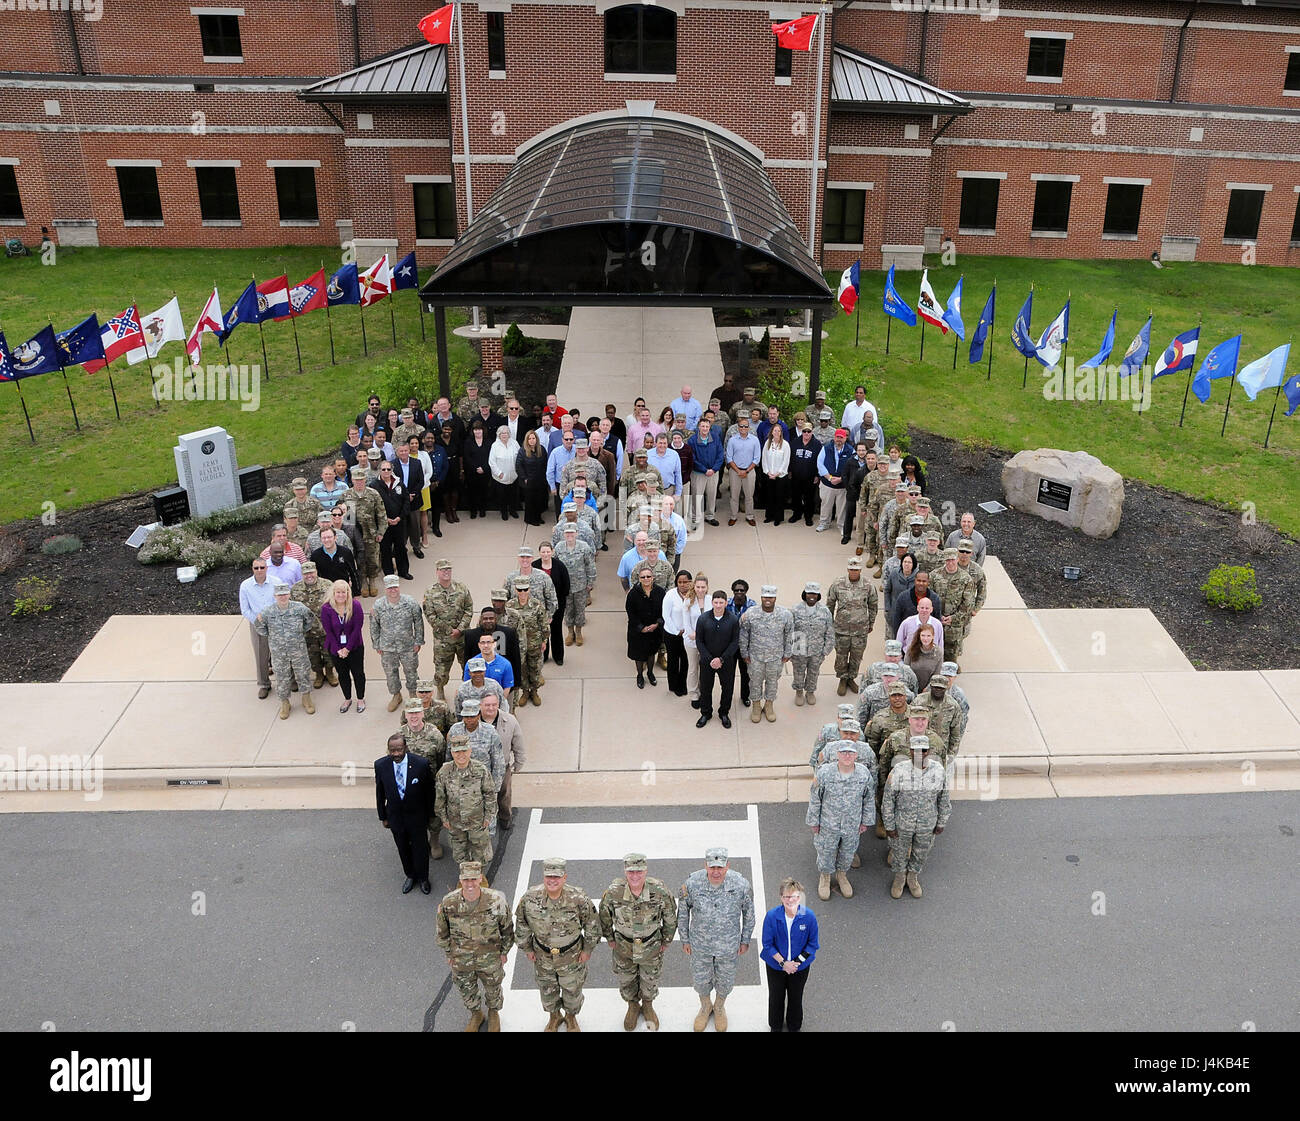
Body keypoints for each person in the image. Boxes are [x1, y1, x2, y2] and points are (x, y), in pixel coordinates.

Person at [514, 856, 601, 1032]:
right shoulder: (530, 898)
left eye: (556, 877)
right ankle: (554, 1017)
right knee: (547, 991)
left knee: (572, 991)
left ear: (564, 877)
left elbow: (592, 924)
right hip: (542, 956)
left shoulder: (578, 898)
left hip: (572, 956)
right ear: (544, 877)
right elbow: (522, 923)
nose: (552, 881)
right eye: (549, 877)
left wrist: (587, 950)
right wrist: (527, 948)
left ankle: (571, 1017)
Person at [678, 846, 755, 1033]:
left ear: (727, 866)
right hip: (700, 945)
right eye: (712, 867)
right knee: (700, 980)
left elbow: (749, 914)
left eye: (720, 867)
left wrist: (745, 940)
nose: (716, 872)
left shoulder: (740, 885)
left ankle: (719, 1007)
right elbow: (682, 913)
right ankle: (705, 1007)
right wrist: (685, 940)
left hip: (728, 946)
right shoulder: (691, 883)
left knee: (726, 980)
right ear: (705, 865)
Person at [599, 853, 679, 1032]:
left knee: (650, 980)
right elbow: (604, 917)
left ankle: (648, 1005)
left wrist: (666, 940)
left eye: (639, 871)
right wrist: (610, 938)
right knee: (626, 980)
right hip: (623, 947)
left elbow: (670, 918)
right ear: (625, 872)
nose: (635, 876)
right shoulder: (613, 892)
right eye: (631, 872)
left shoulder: (659, 891)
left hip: (651, 946)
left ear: (646, 871)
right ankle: (633, 1006)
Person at [436, 861, 513, 1033]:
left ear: (480, 879)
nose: (470, 884)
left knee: (493, 988)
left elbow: (507, 929)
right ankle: (476, 1014)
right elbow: (442, 932)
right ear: (460, 880)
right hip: (461, 959)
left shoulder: (496, 901)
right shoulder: (449, 903)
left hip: (490, 957)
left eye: (473, 879)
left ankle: (494, 1014)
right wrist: (449, 953)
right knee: (466, 989)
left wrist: (504, 952)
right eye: (466, 880)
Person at [883, 735, 951, 899]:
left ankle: (912, 877)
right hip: (902, 823)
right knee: (899, 853)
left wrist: (941, 822)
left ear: (929, 751)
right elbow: (888, 800)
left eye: (923, 750)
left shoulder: (938, 771)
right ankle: (899, 878)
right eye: (915, 750)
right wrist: (889, 825)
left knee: (921, 853)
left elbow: (944, 798)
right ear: (910, 751)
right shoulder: (899, 770)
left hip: (927, 824)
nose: (920, 753)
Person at [808, 740, 875, 901]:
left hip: (852, 824)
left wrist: (865, 821)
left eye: (850, 752)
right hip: (828, 824)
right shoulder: (824, 773)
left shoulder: (863, 773)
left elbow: (869, 798)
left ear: (856, 755)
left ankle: (842, 875)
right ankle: (825, 877)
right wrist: (814, 822)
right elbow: (815, 798)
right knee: (826, 851)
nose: (847, 755)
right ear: (837, 754)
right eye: (843, 752)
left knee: (848, 852)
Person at [375, 731, 434, 895]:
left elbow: (429, 792)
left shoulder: (421, 764)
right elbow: (380, 793)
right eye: (392, 750)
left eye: (399, 750)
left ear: (405, 748)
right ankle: (410, 875)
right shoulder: (381, 765)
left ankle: (423, 878)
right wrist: (383, 816)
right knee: (402, 848)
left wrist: (430, 815)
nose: (396, 754)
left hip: (417, 817)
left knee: (420, 848)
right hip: (395, 817)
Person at [761, 878, 819, 1033]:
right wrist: (783, 963)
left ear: (799, 897)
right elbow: (767, 944)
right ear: (781, 897)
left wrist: (795, 963)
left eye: (794, 896)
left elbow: (813, 945)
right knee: (776, 996)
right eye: (786, 897)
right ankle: (776, 1026)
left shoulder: (809, 917)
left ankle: (794, 1026)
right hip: (775, 966)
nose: (790, 900)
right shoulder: (772, 916)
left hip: (799, 968)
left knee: (796, 997)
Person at [254, 581, 316, 719]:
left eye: (285, 594)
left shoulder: (299, 608)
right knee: (282, 678)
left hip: (298, 650)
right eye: (279, 595)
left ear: (289, 594)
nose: (282, 597)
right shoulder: (268, 612)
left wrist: (299, 633)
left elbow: (309, 620)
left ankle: (306, 699)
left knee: (303, 673)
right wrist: (274, 638)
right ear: (275, 596)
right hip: (279, 652)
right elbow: (259, 626)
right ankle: (285, 703)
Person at [435, 733, 497, 870]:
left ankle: (479, 877)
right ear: (452, 752)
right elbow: (440, 798)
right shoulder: (444, 772)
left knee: (480, 850)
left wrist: (488, 817)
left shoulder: (480, 770)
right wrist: (444, 818)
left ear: (470, 751)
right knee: (459, 853)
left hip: (477, 821)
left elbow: (490, 794)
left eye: (464, 750)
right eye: (457, 751)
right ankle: (464, 878)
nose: (460, 755)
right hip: (455, 822)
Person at [370, 573, 424, 711]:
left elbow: (418, 622)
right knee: (390, 673)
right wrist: (377, 644)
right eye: (389, 588)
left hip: (408, 646)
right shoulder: (378, 605)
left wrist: (418, 641)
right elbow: (374, 626)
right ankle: (396, 695)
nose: (393, 590)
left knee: (411, 671)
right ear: (386, 589)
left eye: (395, 587)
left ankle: (413, 694)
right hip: (387, 647)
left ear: (399, 587)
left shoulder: (410, 603)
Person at [740, 584, 793, 724]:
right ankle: (756, 706)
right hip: (755, 657)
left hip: (775, 657)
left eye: (771, 597)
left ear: (775, 598)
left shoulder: (785, 614)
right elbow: (744, 634)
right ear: (761, 597)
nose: (767, 599)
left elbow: (789, 635)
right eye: (765, 597)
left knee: (772, 683)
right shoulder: (751, 613)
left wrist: (788, 652)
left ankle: (769, 706)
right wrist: (744, 652)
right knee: (755, 682)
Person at [423, 559, 474, 702]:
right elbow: (430, 615)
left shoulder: (461, 588)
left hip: (463, 637)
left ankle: (468, 689)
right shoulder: (430, 592)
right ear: (437, 572)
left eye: (448, 569)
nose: (446, 572)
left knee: (467, 665)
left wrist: (460, 628)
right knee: (441, 669)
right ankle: (440, 689)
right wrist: (448, 630)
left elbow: (469, 609)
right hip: (443, 640)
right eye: (443, 569)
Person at [826, 557, 878, 696]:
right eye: (852, 569)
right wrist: (830, 624)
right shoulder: (838, 584)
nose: (854, 572)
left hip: (860, 630)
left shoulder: (868, 585)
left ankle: (851, 678)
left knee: (856, 656)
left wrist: (871, 623)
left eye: (856, 569)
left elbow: (873, 606)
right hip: (841, 629)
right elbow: (830, 604)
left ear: (860, 570)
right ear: (848, 569)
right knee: (841, 656)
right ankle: (843, 679)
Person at [477, 691, 523, 831]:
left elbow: (518, 743)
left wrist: (518, 763)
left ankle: (505, 817)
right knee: (480, 797)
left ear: (499, 704)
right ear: (480, 705)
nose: (490, 708)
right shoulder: (473, 721)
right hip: (480, 769)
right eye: (487, 705)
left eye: (494, 704)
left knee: (504, 795)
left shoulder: (510, 721)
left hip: (503, 767)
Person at [695, 590, 739, 728]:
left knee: (727, 688)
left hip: (726, 662)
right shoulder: (703, 619)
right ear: (712, 602)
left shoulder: (733, 620)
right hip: (707, 661)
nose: (718, 605)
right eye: (716, 602)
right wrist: (709, 659)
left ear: (726, 603)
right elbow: (699, 641)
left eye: (721, 602)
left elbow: (734, 642)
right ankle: (706, 713)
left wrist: (721, 659)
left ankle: (724, 713)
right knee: (706, 688)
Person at [322, 578, 365, 713]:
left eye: (344, 592)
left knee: (358, 673)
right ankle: (347, 698)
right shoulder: (326, 608)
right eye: (338, 592)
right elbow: (328, 631)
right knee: (343, 674)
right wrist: (339, 649)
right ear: (333, 593)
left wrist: (347, 648)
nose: (341, 595)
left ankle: (360, 698)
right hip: (336, 649)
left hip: (355, 646)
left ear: (348, 593)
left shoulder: (355, 605)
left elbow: (357, 628)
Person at [505, 576, 548, 707]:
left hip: (534, 643)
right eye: (520, 590)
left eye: (525, 590)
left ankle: (534, 691)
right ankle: (525, 691)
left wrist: (544, 640)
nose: (523, 593)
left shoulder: (537, 604)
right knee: (522, 670)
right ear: (516, 590)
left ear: (529, 589)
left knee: (535, 669)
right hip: (518, 646)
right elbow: (506, 626)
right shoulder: (510, 606)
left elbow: (544, 624)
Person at [289, 560, 332, 688]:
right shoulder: (296, 589)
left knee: (329, 653)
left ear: (316, 572)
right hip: (307, 631)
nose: (309, 576)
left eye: (311, 572)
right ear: (302, 574)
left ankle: (330, 673)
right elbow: (292, 609)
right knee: (313, 656)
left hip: (326, 629)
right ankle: (319, 674)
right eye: (306, 573)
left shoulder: (327, 585)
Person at [791, 581, 834, 708]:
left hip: (817, 650)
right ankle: (799, 692)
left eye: (814, 594)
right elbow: (789, 631)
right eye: (809, 593)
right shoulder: (795, 610)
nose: (812, 596)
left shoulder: (825, 611)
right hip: (799, 649)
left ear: (818, 595)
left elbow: (830, 631)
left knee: (813, 672)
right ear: (805, 593)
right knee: (798, 672)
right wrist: (790, 649)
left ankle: (810, 692)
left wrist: (826, 651)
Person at [239, 557, 276, 699]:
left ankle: (290, 680)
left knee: (282, 652)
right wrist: (257, 620)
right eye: (256, 568)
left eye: (262, 567)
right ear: (252, 569)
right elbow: (245, 609)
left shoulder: (276, 582)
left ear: (267, 568)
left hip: (276, 622)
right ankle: (264, 684)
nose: (259, 570)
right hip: (257, 624)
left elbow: (282, 601)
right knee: (261, 655)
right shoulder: (245, 586)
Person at [552, 524, 592, 650]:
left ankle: (579, 632)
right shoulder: (559, 547)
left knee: (580, 609)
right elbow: (555, 566)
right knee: (567, 609)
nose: (569, 535)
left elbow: (590, 565)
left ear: (577, 533)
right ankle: (570, 632)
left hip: (580, 585)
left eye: (572, 533)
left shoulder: (584, 547)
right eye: (567, 533)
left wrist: (590, 583)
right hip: (565, 587)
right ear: (564, 534)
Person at [370, 460, 411, 580]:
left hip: (399, 522)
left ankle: (403, 572)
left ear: (392, 470)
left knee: (401, 548)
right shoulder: (374, 485)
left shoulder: (399, 484)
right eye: (384, 469)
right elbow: (373, 506)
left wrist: (400, 517)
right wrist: (384, 519)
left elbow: (406, 501)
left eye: (388, 469)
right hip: (383, 525)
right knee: (385, 549)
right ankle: (389, 574)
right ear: (379, 471)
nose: (386, 471)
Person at [626, 565, 666, 689]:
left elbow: (664, 610)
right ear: (639, 578)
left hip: (654, 630)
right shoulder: (633, 594)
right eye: (643, 577)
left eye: (648, 576)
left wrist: (657, 624)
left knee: (651, 653)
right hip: (638, 631)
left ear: (653, 578)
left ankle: (650, 673)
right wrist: (641, 627)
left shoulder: (660, 592)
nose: (646, 579)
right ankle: (639, 675)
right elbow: (630, 613)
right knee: (639, 655)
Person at [533, 540, 570, 665]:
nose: (545, 554)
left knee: (556, 630)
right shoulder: (534, 566)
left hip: (557, 606)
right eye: (543, 552)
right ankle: (543, 656)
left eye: (548, 551)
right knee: (542, 632)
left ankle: (558, 656)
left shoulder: (560, 566)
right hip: (539, 607)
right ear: (539, 553)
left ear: (552, 552)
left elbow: (566, 586)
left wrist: (559, 605)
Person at [661, 569, 694, 698]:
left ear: (690, 582)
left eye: (685, 582)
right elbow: (666, 615)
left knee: (686, 661)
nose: (682, 584)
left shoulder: (693, 596)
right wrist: (676, 631)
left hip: (687, 635)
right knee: (673, 661)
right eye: (680, 582)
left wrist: (688, 631)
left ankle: (682, 685)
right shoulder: (670, 595)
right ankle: (673, 685)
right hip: (672, 634)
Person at [816, 427, 853, 535]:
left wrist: (841, 479)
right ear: (834, 437)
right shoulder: (826, 448)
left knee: (842, 508)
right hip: (827, 483)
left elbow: (852, 468)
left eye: (841, 438)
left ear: (845, 438)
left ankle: (841, 526)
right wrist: (830, 478)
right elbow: (820, 464)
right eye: (837, 437)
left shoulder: (851, 450)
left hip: (842, 485)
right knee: (826, 505)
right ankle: (824, 523)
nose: (839, 440)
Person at [688, 416, 723, 527]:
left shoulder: (715, 438)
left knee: (712, 495)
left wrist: (714, 469)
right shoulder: (692, 440)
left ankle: (710, 516)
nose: (705, 428)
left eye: (707, 426)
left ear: (710, 427)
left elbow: (720, 455)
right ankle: (695, 518)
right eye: (702, 426)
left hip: (713, 473)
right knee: (697, 496)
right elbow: (692, 458)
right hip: (698, 473)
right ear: (699, 427)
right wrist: (704, 469)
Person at [724, 416, 761, 526]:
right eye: (741, 426)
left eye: (746, 426)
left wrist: (746, 471)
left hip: (749, 472)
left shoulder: (755, 440)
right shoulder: (732, 440)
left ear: (749, 427)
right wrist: (738, 471)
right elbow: (729, 457)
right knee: (734, 496)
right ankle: (733, 516)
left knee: (749, 496)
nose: (743, 428)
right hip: (735, 472)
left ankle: (749, 516)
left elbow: (757, 458)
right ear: (738, 427)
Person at [726, 579, 755, 709]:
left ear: (746, 591)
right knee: (729, 674)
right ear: (733, 591)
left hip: (746, 646)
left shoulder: (752, 606)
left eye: (741, 590)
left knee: (745, 674)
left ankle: (745, 696)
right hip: (730, 645)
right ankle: (728, 696)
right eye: (736, 590)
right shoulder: (727, 604)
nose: (738, 592)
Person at [517, 429, 550, 525]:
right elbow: (518, 465)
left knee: (539, 500)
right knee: (530, 501)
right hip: (529, 481)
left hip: (540, 480)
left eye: (533, 438)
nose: (532, 440)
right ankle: (530, 519)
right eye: (529, 438)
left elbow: (546, 464)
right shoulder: (522, 450)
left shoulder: (542, 449)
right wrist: (524, 478)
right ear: (526, 440)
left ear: (536, 439)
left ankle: (538, 517)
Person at [488, 423, 520, 520]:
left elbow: (520, 457)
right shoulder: (495, 445)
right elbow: (491, 462)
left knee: (513, 495)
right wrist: (499, 473)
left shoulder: (514, 443)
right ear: (499, 434)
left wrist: (518, 471)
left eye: (506, 433)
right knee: (502, 496)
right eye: (502, 433)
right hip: (500, 477)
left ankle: (512, 510)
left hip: (514, 476)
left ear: (509, 434)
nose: (504, 435)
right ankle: (504, 512)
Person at [760, 422, 791, 525]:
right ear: (772, 432)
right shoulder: (768, 443)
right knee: (769, 497)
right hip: (769, 475)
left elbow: (786, 461)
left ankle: (778, 518)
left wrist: (777, 474)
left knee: (779, 498)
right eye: (775, 430)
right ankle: (769, 516)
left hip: (780, 476)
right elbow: (764, 458)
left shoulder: (785, 445)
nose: (777, 432)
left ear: (781, 432)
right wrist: (768, 472)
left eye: (779, 431)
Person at [461, 421, 491, 518]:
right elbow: (467, 457)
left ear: (483, 430)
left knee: (484, 491)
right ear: (472, 431)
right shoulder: (468, 441)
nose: (477, 432)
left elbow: (490, 456)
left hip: (485, 471)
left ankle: (482, 509)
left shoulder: (488, 441)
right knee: (472, 492)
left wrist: (484, 468)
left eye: (479, 429)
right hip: (472, 472)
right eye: (475, 430)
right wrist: (475, 468)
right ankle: (473, 511)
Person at [437, 421, 463, 525]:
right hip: (443, 466)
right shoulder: (438, 440)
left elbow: (460, 455)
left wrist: (461, 470)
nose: (446, 431)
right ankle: (447, 512)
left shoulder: (456, 440)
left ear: (452, 430)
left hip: (455, 465)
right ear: (442, 429)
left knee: (455, 490)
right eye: (445, 429)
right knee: (445, 491)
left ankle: (453, 510)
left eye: (449, 429)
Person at [904, 622, 942, 692]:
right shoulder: (911, 649)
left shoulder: (938, 652)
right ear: (919, 636)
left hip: (929, 690)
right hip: (911, 688)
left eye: (928, 636)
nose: (925, 638)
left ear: (933, 636)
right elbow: (906, 670)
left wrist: (927, 689)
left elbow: (937, 674)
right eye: (923, 635)